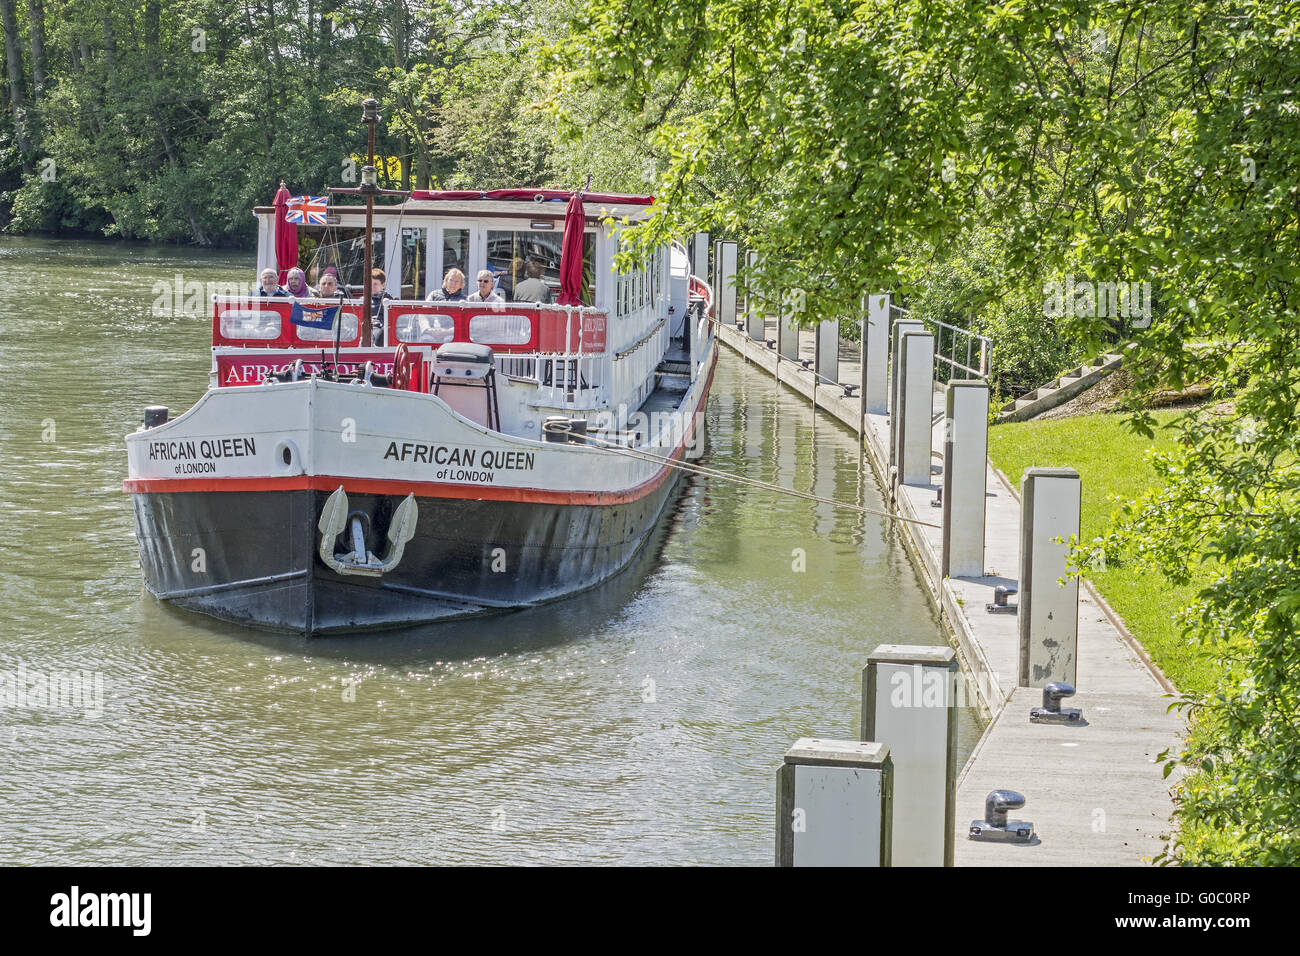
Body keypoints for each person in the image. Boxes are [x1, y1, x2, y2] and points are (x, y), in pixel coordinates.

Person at [369, 268, 394, 346]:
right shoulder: (363, 300)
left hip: (380, 329)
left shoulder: (389, 300)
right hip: (364, 329)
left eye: (375, 284)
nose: (372, 287)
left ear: (383, 285)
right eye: (370, 284)